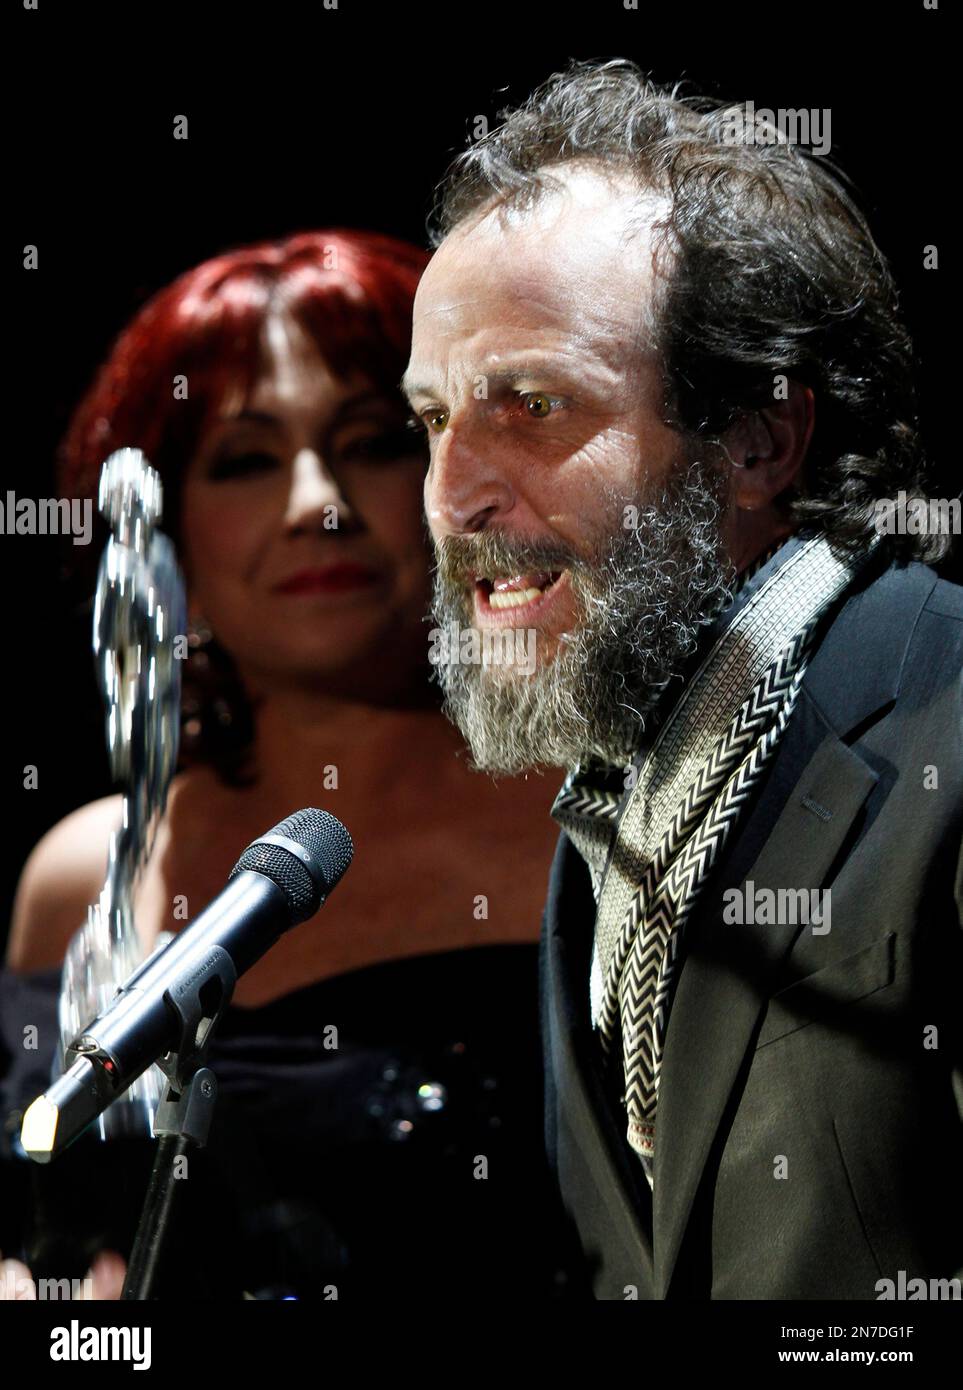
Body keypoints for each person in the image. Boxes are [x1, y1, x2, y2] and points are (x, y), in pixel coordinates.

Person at [403, 60, 963, 1299]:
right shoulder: (614, 819)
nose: (452, 499)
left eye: (532, 406)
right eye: (432, 421)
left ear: (760, 438)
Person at [0, 229, 577, 1300]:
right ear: (165, 534)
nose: (318, 499)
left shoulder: (600, 812)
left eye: (371, 439)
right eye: (248, 459)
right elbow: (58, 1241)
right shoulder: (86, 874)